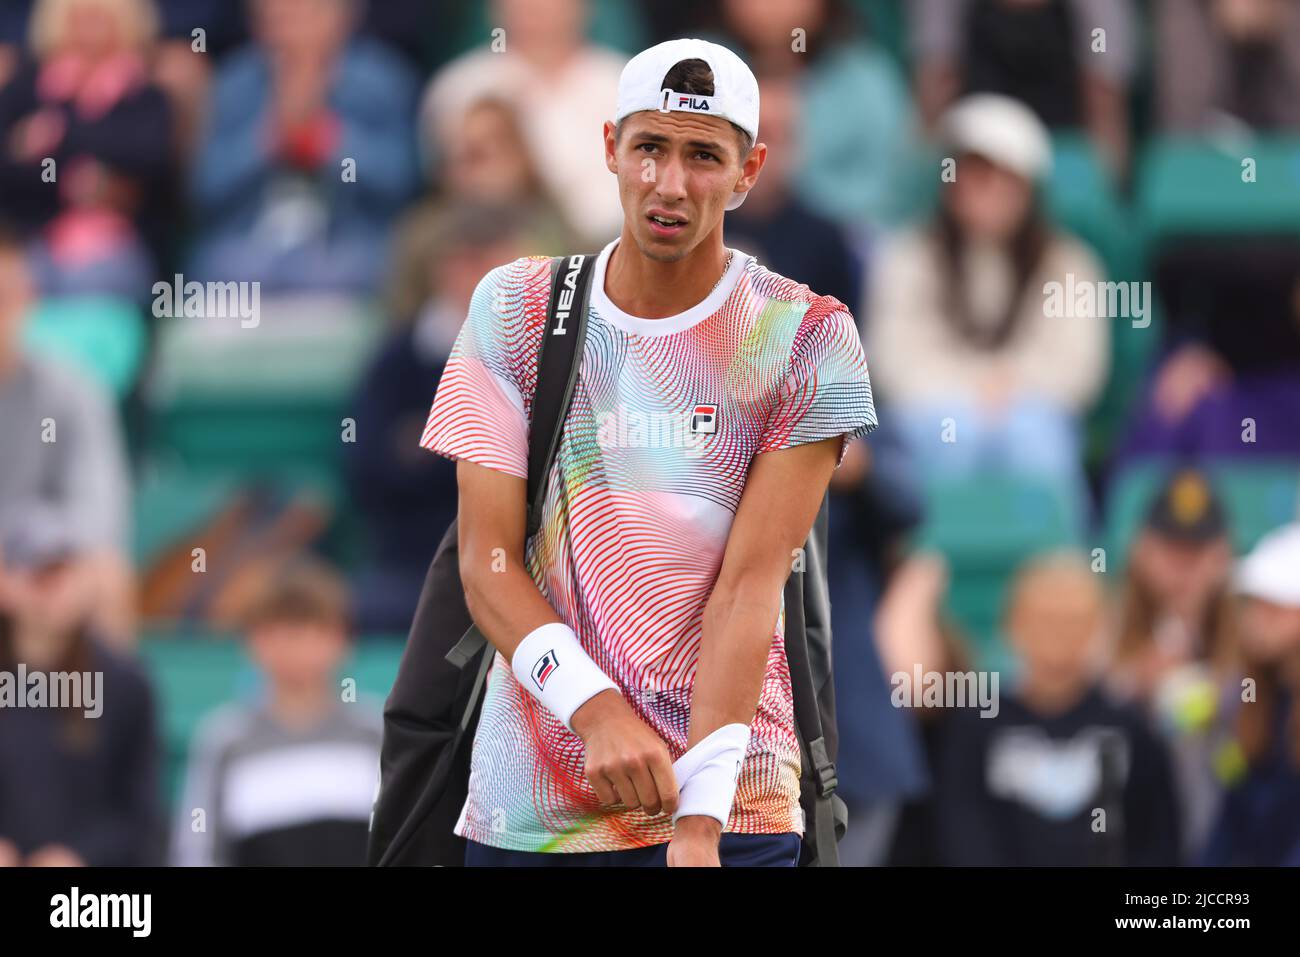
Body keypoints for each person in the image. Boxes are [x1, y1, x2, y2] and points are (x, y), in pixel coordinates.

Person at [420, 38, 877, 867]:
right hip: (535, 804)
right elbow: (488, 562)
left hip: (730, 802)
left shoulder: (807, 334)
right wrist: (593, 707)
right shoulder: (513, 304)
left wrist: (698, 820)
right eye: (650, 149)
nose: (670, 184)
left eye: (704, 156)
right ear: (609, 149)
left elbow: (749, 587)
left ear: (749, 170)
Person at [866, 94, 1109, 489]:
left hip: (1032, 410)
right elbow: (892, 362)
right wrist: (972, 390)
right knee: (951, 433)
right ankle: (929, 549)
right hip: (935, 411)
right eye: (977, 173)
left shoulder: (1069, 264)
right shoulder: (907, 256)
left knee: (1033, 436)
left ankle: (1047, 549)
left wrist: (1008, 387)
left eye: (1006, 176)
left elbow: (1079, 370)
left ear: (1029, 189)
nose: (990, 189)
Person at [934, 552, 1182, 865]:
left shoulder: (1130, 726)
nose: (1059, 635)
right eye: (1045, 618)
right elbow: (961, 835)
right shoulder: (976, 726)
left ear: (1100, 626)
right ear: (1013, 623)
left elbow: (1156, 840)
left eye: (1075, 620)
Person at [171, 559, 382, 866]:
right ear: (253, 642)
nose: (296, 646)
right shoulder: (224, 740)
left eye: (312, 630)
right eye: (279, 631)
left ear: (342, 640)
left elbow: (400, 841)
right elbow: (198, 850)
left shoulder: (375, 732)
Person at [0, 510, 162, 867]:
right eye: (40, 575)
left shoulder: (125, 685)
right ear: (6, 583)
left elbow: (139, 813)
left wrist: (80, 855)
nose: (55, 589)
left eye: (64, 573)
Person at [0, 224, 134, 648]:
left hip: (44, 569)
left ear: (29, 301)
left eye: (5, 300)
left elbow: (101, 513)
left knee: (107, 580)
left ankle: (101, 714)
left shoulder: (73, 390)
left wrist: (47, 573)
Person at [1107, 467, 1240, 858]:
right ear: (1141, 549)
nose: (1184, 567)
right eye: (1171, 549)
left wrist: (1217, 696)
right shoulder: (1104, 630)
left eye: (1198, 553)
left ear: (1222, 555)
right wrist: (1134, 687)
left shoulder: (1251, 638)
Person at [1201, 523, 1300, 866]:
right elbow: (1231, 824)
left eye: (1273, 604)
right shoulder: (1254, 701)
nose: (1256, 617)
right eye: (1254, 602)